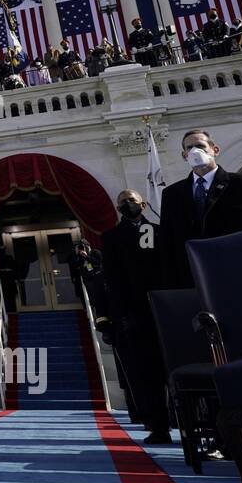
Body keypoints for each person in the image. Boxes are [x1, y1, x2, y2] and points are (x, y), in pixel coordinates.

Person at [158, 129, 242, 288]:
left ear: (215, 150)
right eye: (189, 148)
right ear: (184, 156)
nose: (194, 151)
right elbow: (168, 242)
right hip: (194, 279)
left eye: (200, 145)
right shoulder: (171, 194)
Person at [99, 189, 169, 443]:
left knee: (171, 369)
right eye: (122, 202)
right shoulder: (112, 238)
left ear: (144, 204)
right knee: (146, 373)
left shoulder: (161, 232)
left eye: (131, 200)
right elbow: (112, 280)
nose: (127, 204)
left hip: (164, 309)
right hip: (134, 313)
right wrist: (118, 316)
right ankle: (158, 425)